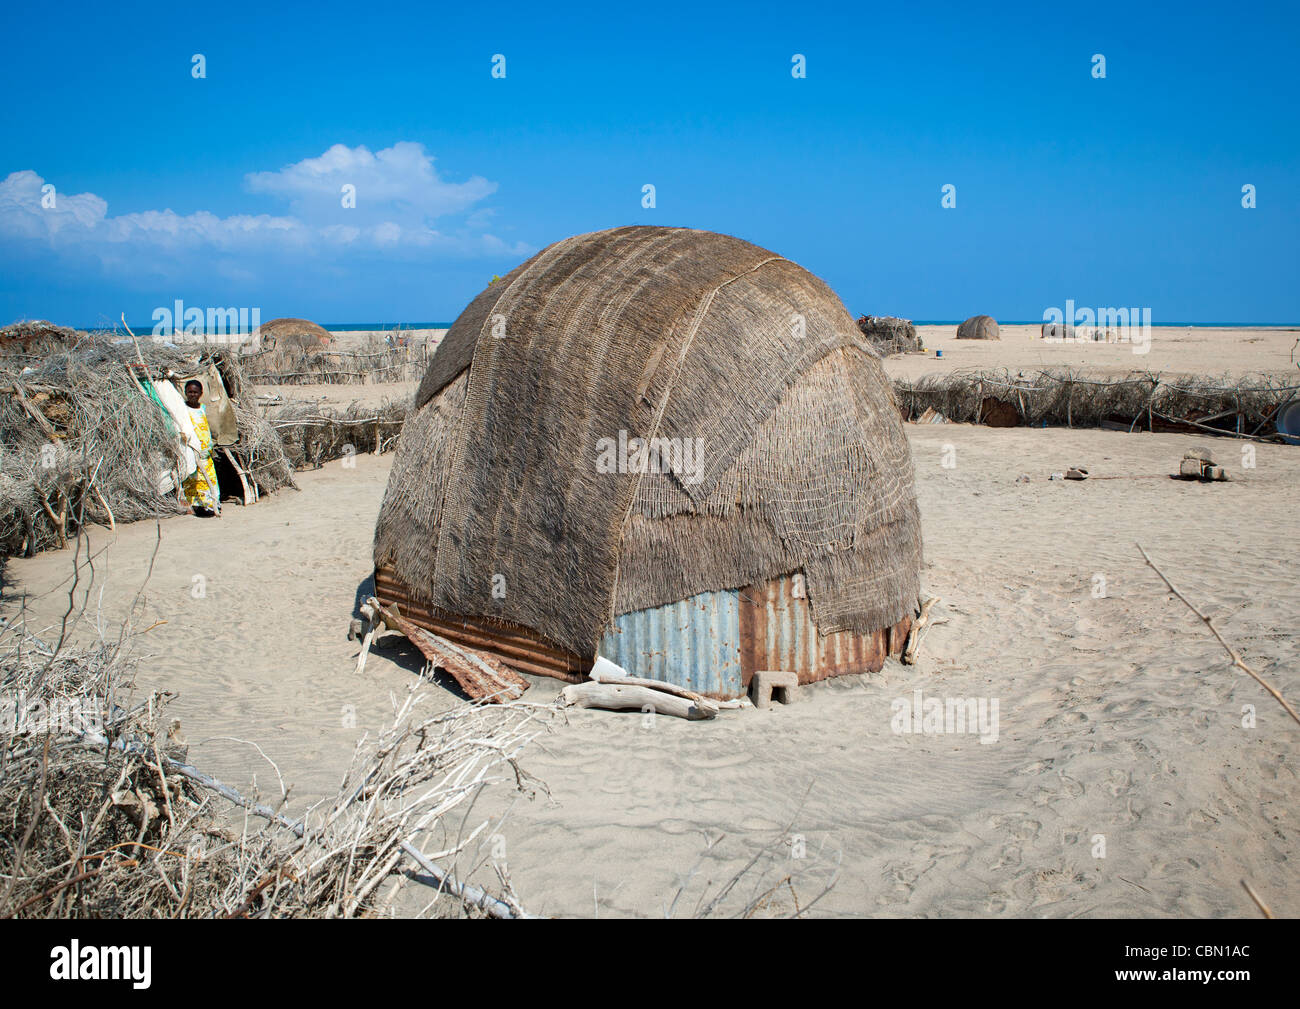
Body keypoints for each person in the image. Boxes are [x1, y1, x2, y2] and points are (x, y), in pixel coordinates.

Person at [181, 379, 220, 516]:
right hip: (190, 452)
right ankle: (197, 507)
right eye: (189, 392)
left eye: (195, 392)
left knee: (209, 479)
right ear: (185, 392)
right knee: (192, 481)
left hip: (205, 453)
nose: (192, 395)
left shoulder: (203, 408)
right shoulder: (182, 409)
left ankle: (211, 504)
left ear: (201, 394)